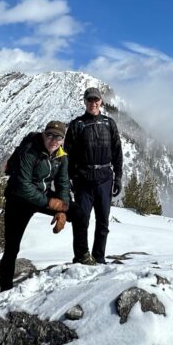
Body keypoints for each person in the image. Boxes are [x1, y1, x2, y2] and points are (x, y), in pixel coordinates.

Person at [0, 120, 70, 291]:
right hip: (19, 200)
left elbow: (63, 183)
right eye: (50, 135)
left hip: (42, 196)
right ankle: (5, 289)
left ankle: (82, 259)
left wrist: (62, 210)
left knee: (80, 214)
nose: (53, 140)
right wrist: (49, 203)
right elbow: (23, 185)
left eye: (58, 137)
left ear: (62, 140)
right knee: (11, 248)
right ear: (44, 135)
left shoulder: (61, 156)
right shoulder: (30, 151)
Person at [64, 86, 123, 265]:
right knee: (81, 220)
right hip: (83, 180)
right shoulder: (77, 124)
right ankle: (81, 257)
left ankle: (99, 257)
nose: (93, 103)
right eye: (90, 100)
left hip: (105, 178)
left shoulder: (109, 123)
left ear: (101, 102)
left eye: (96, 100)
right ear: (85, 102)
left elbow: (117, 152)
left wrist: (118, 177)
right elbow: (67, 155)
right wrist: (69, 179)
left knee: (103, 221)